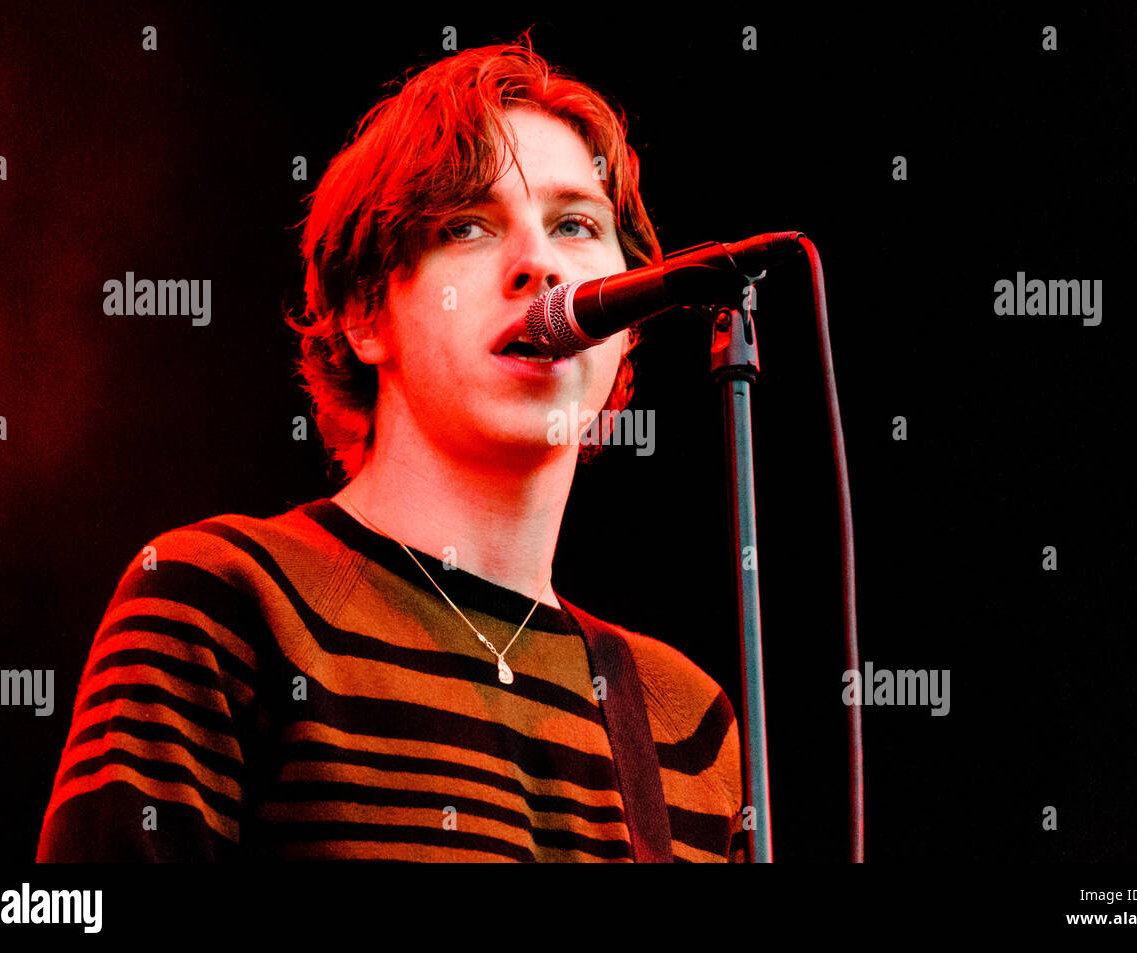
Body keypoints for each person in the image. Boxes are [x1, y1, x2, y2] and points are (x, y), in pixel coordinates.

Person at [37, 40, 746, 862]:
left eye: (576, 225)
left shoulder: (686, 724)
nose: (539, 266)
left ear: (626, 327)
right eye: (468, 226)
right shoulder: (224, 605)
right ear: (364, 313)